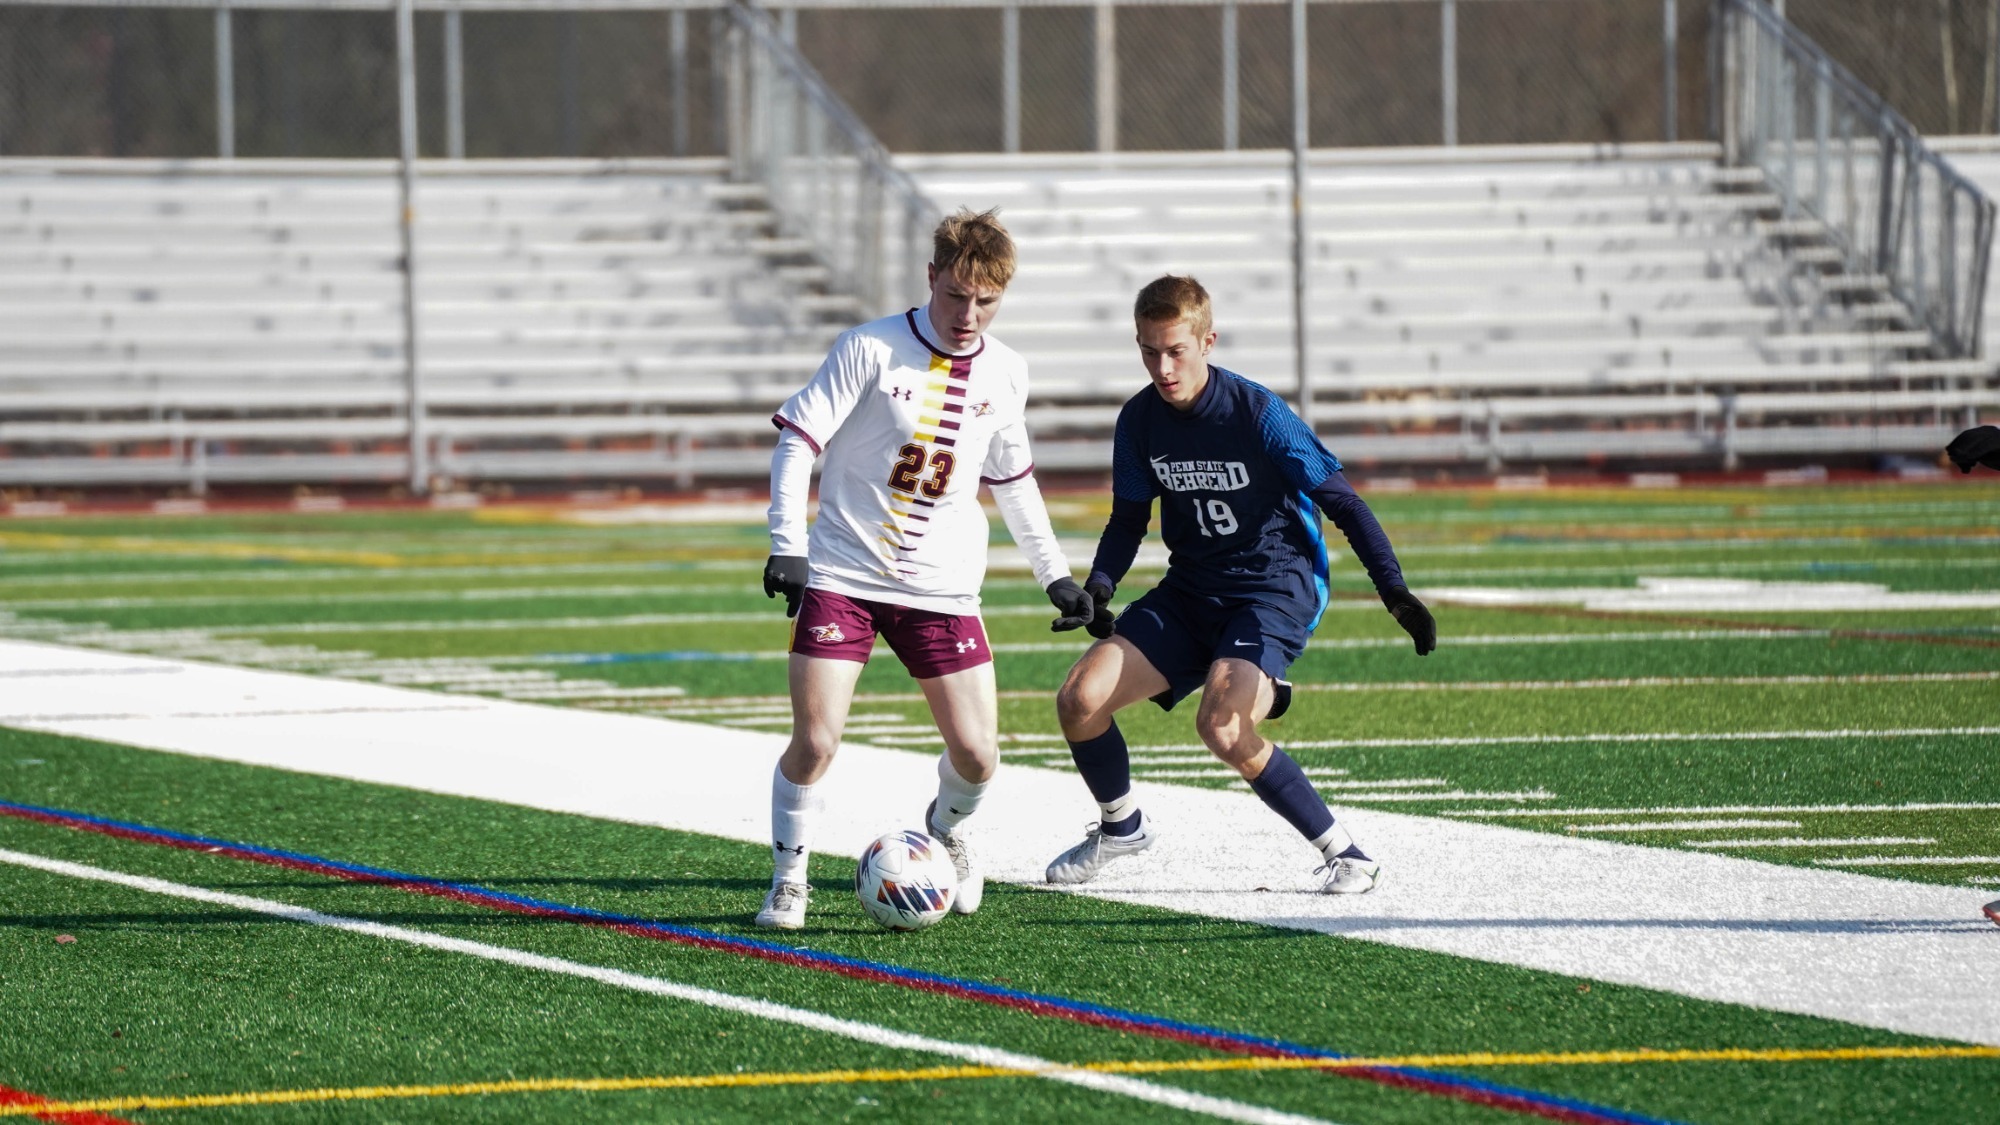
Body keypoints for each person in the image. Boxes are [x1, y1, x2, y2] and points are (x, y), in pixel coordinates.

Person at [756, 208, 1094, 929]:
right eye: (956, 295)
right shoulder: (869, 348)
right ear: (931, 277)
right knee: (816, 741)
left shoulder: (1007, 371)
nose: (969, 313)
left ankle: (946, 830)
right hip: (844, 575)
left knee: (977, 755)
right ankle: (790, 878)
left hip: (942, 587)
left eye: (987, 300)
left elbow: (1014, 480)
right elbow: (796, 444)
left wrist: (1054, 574)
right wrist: (788, 542)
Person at [1045, 274, 1435, 895]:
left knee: (1222, 725)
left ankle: (1347, 853)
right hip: (1192, 588)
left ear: (1208, 342)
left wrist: (1394, 591)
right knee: (1078, 699)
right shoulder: (1139, 419)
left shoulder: (1260, 414)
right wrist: (1099, 585)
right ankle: (1121, 827)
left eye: (1175, 350)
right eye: (1148, 350)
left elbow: (1346, 505)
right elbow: (1127, 520)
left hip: (1273, 587)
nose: (1162, 367)